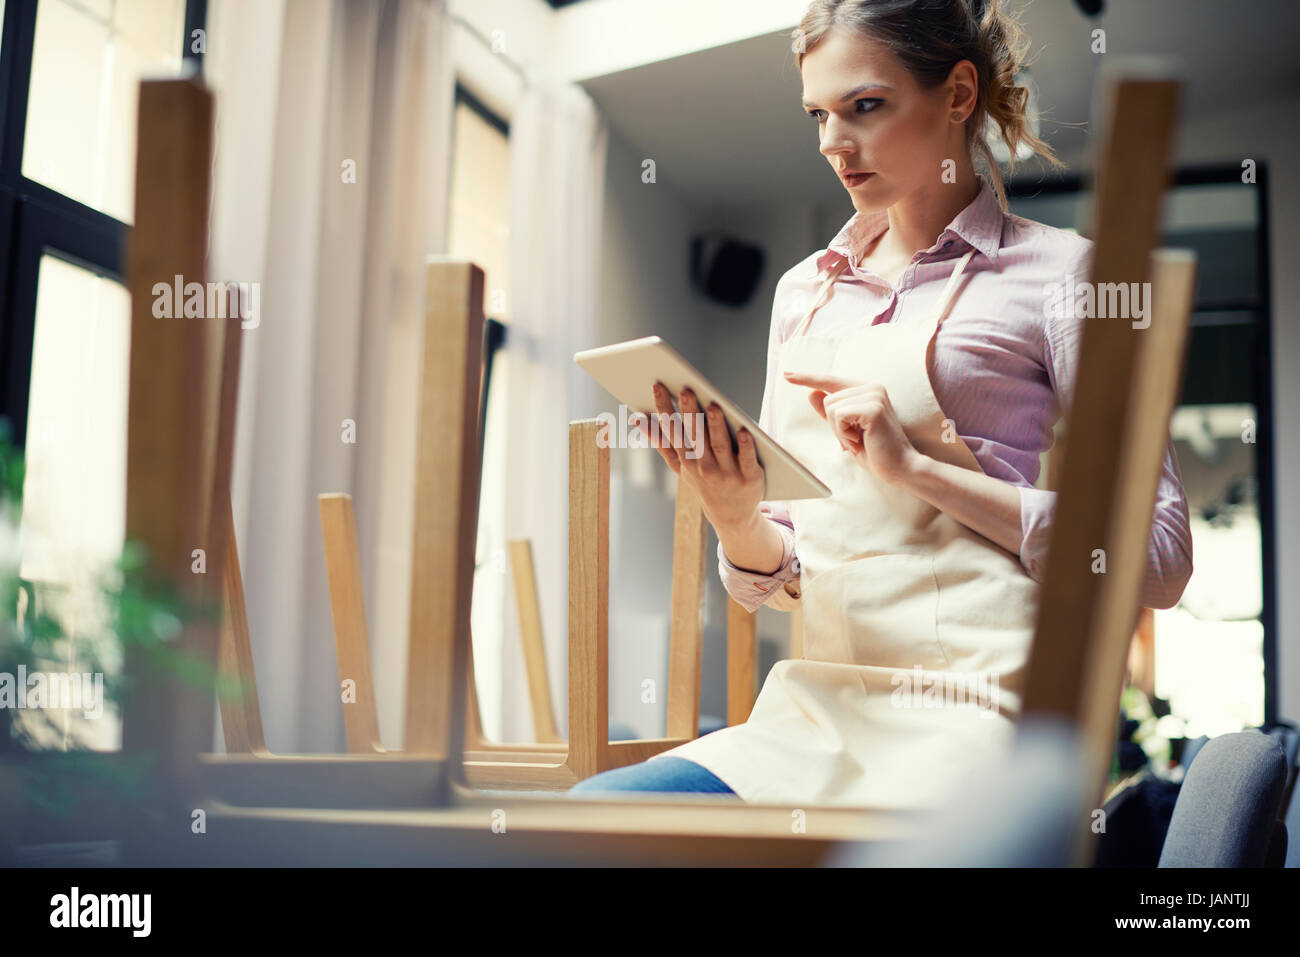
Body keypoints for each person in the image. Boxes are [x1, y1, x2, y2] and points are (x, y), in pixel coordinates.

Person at [567, 0, 1192, 806]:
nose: (833, 143)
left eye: (865, 106)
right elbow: (783, 575)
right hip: (810, 713)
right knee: (595, 817)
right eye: (818, 115)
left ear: (959, 93)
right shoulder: (802, 294)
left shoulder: (1065, 275)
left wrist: (920, 472)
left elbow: (1162, 558)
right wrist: (734, 515)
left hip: (983, 714)